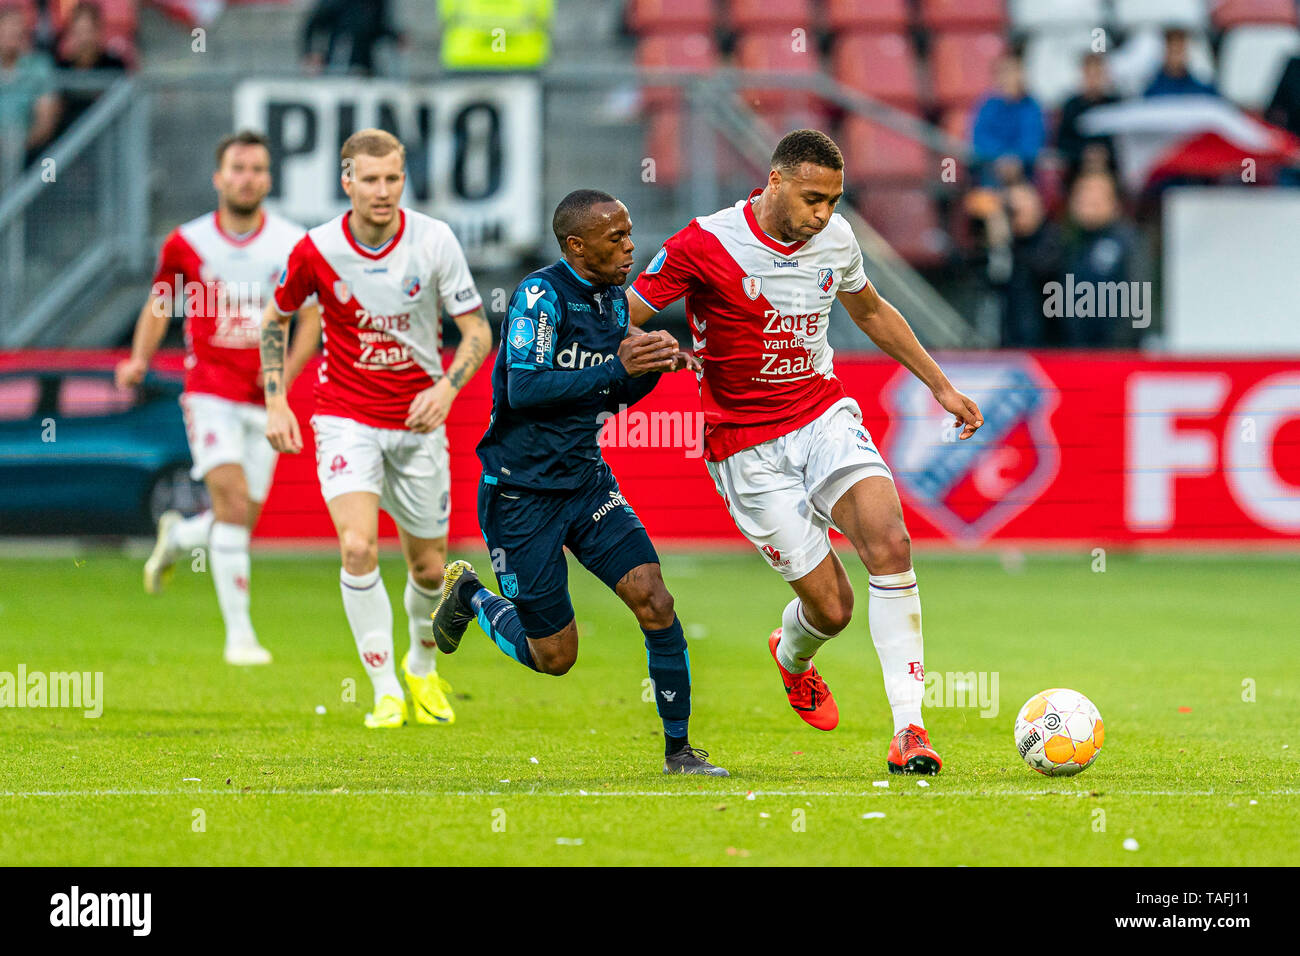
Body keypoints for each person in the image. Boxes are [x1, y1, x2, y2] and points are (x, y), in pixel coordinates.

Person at [626, 130, 984, 775]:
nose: (824, 214)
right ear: (775, 182)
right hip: (745, 443)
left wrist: (941, 386)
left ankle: (910, 731)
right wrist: (636, 349)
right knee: (833, 608)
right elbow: (628, 312)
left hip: (821, 412)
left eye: (834, 200)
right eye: (814, 198)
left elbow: (871, 312)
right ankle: (791, 657)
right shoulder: (703, 242)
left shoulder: (837, 240)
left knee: (891, 543)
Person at [429, 189, 728, 776]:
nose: (629, 245)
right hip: (521, 496)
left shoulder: (615, 300)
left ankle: (680, 753)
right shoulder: (540, 296)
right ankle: (469, 596)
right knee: (555, 657)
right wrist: (620, 365)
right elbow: (525, 390)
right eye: (615, 237)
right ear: (576, 245)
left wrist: (651, 368)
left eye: (629, 231)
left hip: (587, 484)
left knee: (656, 600)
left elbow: (612, 392)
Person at [263, 128, 492, 729]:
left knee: (426, 568)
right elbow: (276, 317)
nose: (383, 191)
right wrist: (274, 400)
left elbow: (477, 333)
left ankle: (422, 668)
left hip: (418, 422)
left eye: (393, 178)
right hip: (345, 416)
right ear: (347, 182)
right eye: (370, 179)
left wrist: (447, 387)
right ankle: (383, 685)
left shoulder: (434, 240)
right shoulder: (315, 249)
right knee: (358, 546)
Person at [115, 130, 322, 665]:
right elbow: (160, 305)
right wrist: (139, 358)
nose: (247, 177)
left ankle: (181, 536)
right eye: (238, 167)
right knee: (230, 504)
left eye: (256, 168)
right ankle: (240, 638)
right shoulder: (187, 242)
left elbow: (311, 318)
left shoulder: (293, 242)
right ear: (219, 177)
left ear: (268, 179)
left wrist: (281, 382)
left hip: (264, 399)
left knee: (240, 518)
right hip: (209, 388)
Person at [1061, 171, 1135, 348]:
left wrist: (1119, 348)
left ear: (1114, 203)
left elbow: (1137, 301)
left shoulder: (1127, 241)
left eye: (1095, 197)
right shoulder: (1068, 241)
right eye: (1081, 196)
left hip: (1114, 354)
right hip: (1072, 352)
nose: (1086, 202)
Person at [971, 51, 1046, 187]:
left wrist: (1017, 158)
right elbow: (980, 139)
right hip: (992, 168)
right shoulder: (987, 105)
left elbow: (1034, 139)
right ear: (997, 77)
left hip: (1024, 170)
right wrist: (1001, 157)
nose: (1011, 78)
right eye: (1006, 73)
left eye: (1015, 72)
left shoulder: (1032, 106)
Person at [53, 1, 127, 137]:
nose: (84, 38)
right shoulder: (61, 68)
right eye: (79, 31)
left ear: (98, 31)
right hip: (68, 140)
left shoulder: (114, 66)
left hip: (106, 138)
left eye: (88, 31)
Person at [0, 5, 59, 174]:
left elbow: (45, 122)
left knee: (50, 166)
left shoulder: (40, 67)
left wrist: (17, 145)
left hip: (31, 152)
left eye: (16, 30)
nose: (12, 35)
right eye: (6, 30)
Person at [1056, 52, 1120, 183]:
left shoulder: (1116, 105)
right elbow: (1062, 143)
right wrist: (1084, 153)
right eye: (1090, 74)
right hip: (1078, 170)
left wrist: (1105, 153)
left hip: (1111, 170)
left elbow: (1124, 142)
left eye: (1097, 74)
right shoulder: (1071, 106)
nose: (1094, 80)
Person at [1143, 28, 1216, 98]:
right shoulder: (1151, 92)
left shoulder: (1202, 91)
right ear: (1165, 53)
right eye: (1172, 51)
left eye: (1179, 51)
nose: (1176, 57)